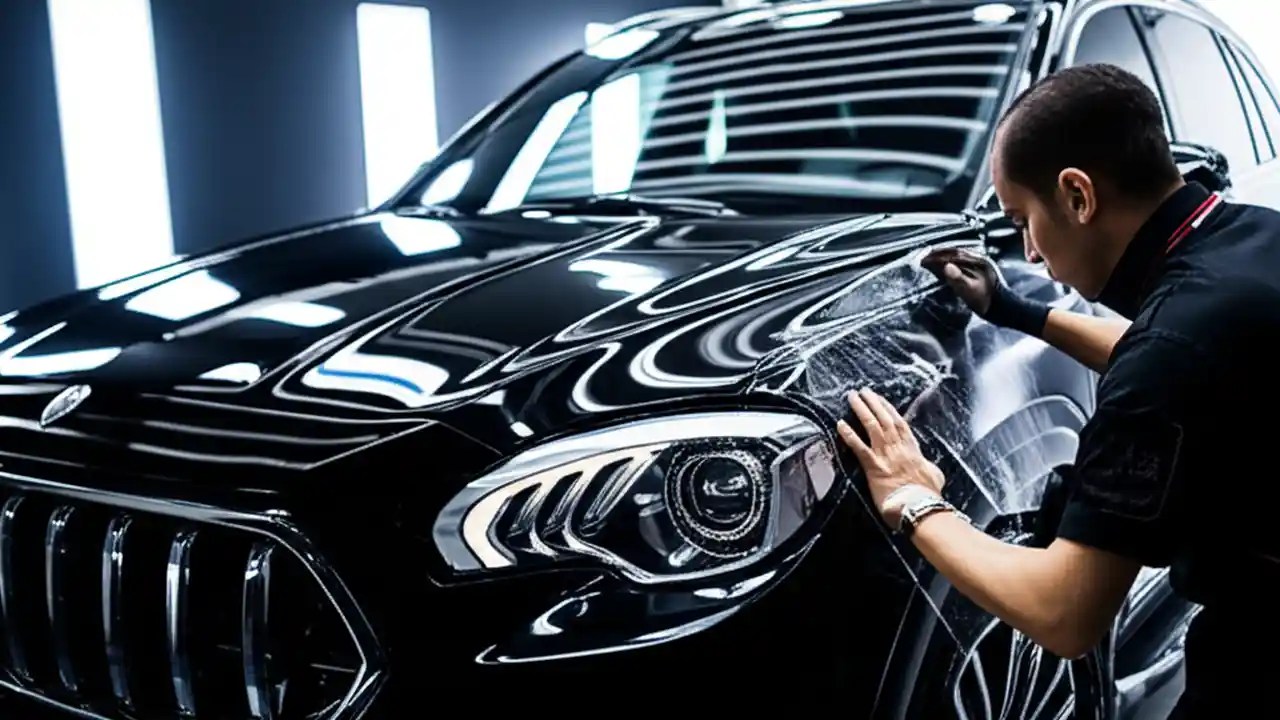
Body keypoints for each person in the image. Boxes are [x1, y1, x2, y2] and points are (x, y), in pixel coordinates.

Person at [835, 62, 1280, 717]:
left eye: (1022, 220)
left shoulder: (1171, 350)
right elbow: (1181, 361)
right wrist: (1014, 310)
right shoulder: (1253, 239)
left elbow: (1064, 613)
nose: (1032, 254)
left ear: (1077, 196)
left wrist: (915, 501)